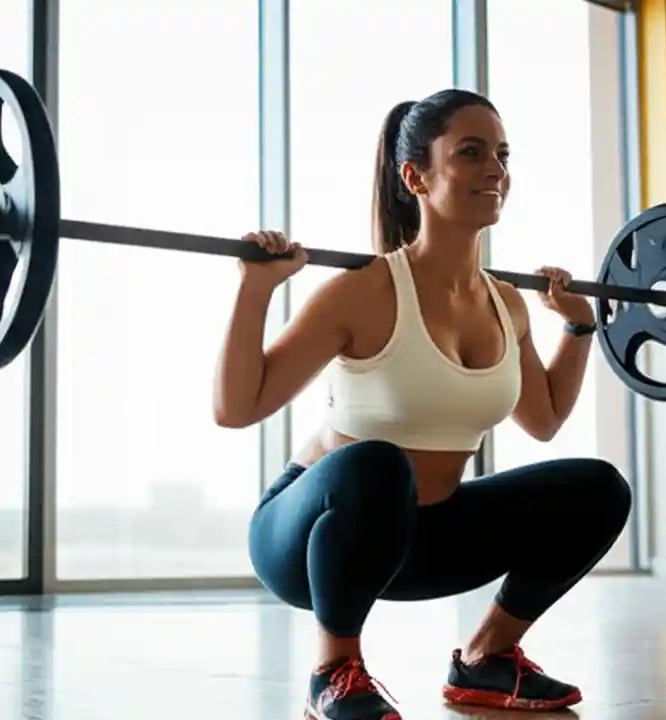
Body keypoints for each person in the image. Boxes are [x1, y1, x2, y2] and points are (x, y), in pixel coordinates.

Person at [213, 88, 632, 720]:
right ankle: (335, 673)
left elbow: (543, 422)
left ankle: (486, 660)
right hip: (307, 541)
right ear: (415, 175)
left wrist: (577, 331)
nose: (496, 169)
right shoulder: (363, 292)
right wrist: (255, 292)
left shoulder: (507, 305)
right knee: (377, 464)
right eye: (471, 152)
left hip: (419, 542)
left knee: (598, 489)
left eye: (502, 154)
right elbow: (237, 407)